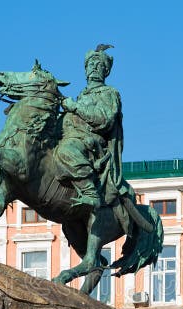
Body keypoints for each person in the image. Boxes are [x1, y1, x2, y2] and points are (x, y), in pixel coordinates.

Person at [56, 44, 131, 209]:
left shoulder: (109, 93)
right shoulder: (81, 95)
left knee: (66, 151)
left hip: (92, 144)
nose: (94, 68)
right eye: (91, 64)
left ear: (106, 71)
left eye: (99, 65)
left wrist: (75, 107)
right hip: (72, 136)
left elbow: (105, 119)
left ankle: (90, 192)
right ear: (85, 70)